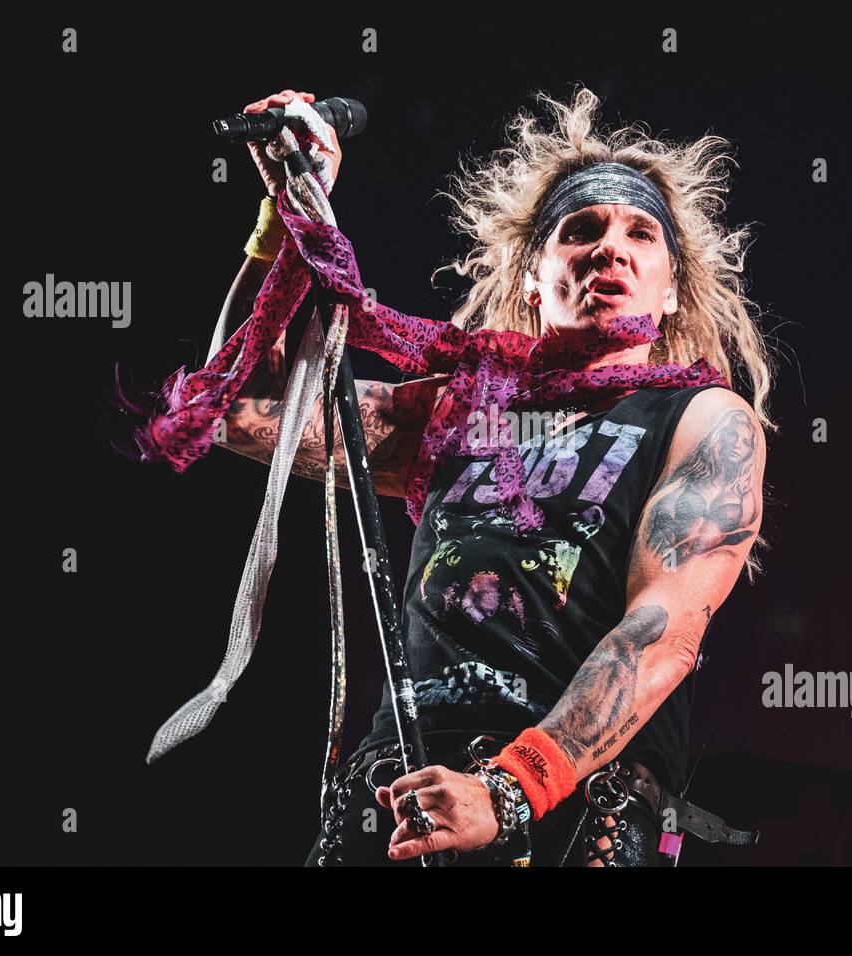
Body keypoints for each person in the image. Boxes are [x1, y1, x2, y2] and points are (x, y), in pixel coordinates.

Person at [210, 86, 775, 866]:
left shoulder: (702, 420)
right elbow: (237, 410)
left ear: (671, 286)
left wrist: (510, 789)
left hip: (572, 812)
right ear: (534, 277)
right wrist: (287, 216)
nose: (610, 249)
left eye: (641, 233)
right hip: (400, 800)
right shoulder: (457, 411)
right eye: (581, 231)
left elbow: (663, 633)